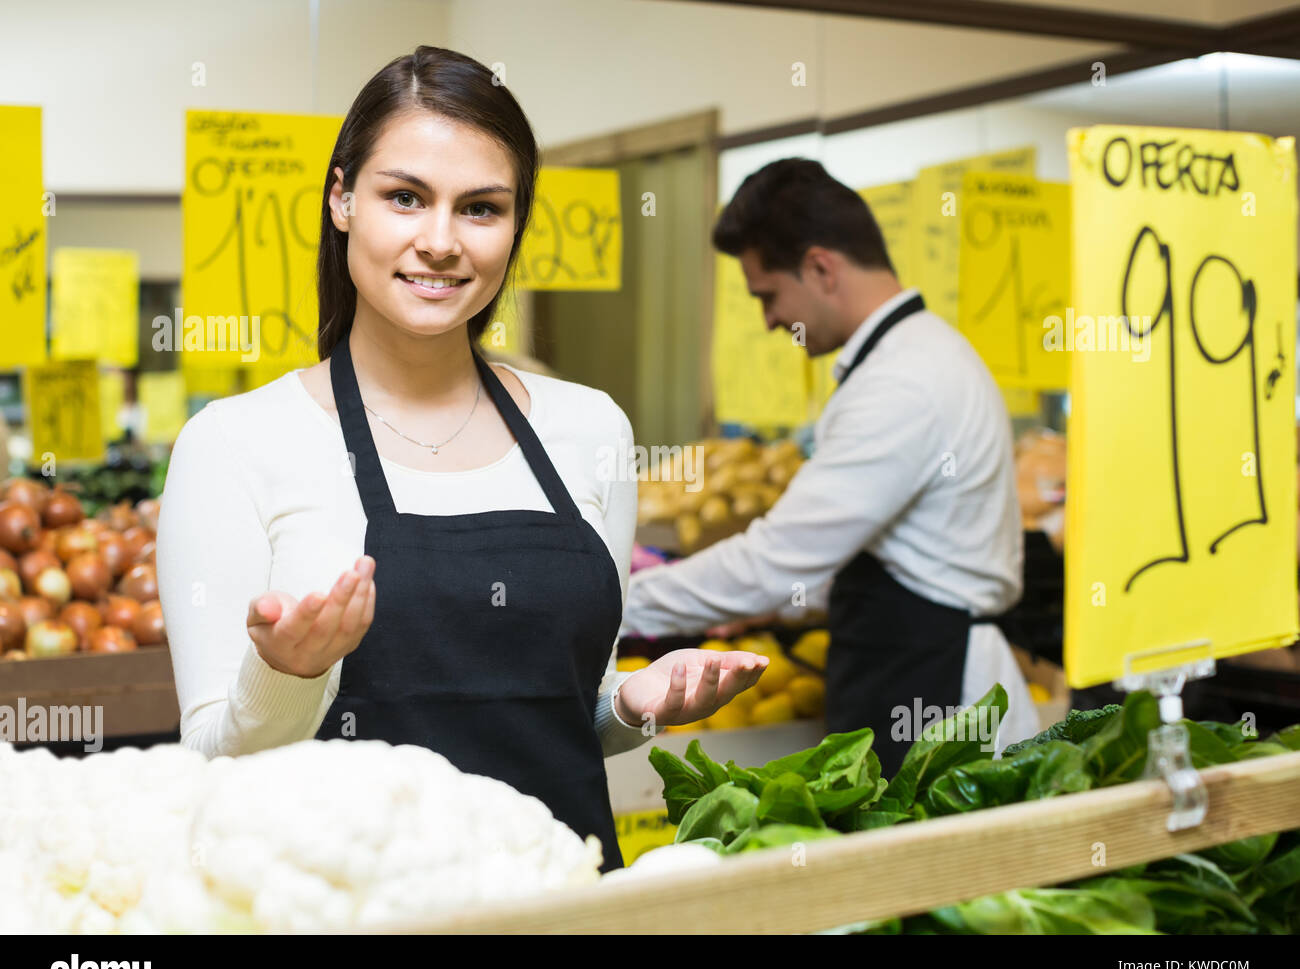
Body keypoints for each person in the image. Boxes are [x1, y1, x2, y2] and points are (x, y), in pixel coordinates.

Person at [156, 46, 768, 874]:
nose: (439, 242)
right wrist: (287, 674)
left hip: (567, 905)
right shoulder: (233, 443)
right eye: (404, 197)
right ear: (342, 199)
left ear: (515, 224)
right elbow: (211, 770)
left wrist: (631, 704)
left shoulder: (590, 429)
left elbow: (559, 720)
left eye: (480, 208)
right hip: (347, 916)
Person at [620, 159, 1038, 775]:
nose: (766, 321)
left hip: (935, 686)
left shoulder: (902, 381)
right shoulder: (919, 355)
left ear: (820, 267)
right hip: (914, 662)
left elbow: (774, 561)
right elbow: (884, 551)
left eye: (767, 295)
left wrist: (612, 602)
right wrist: (787, 601)